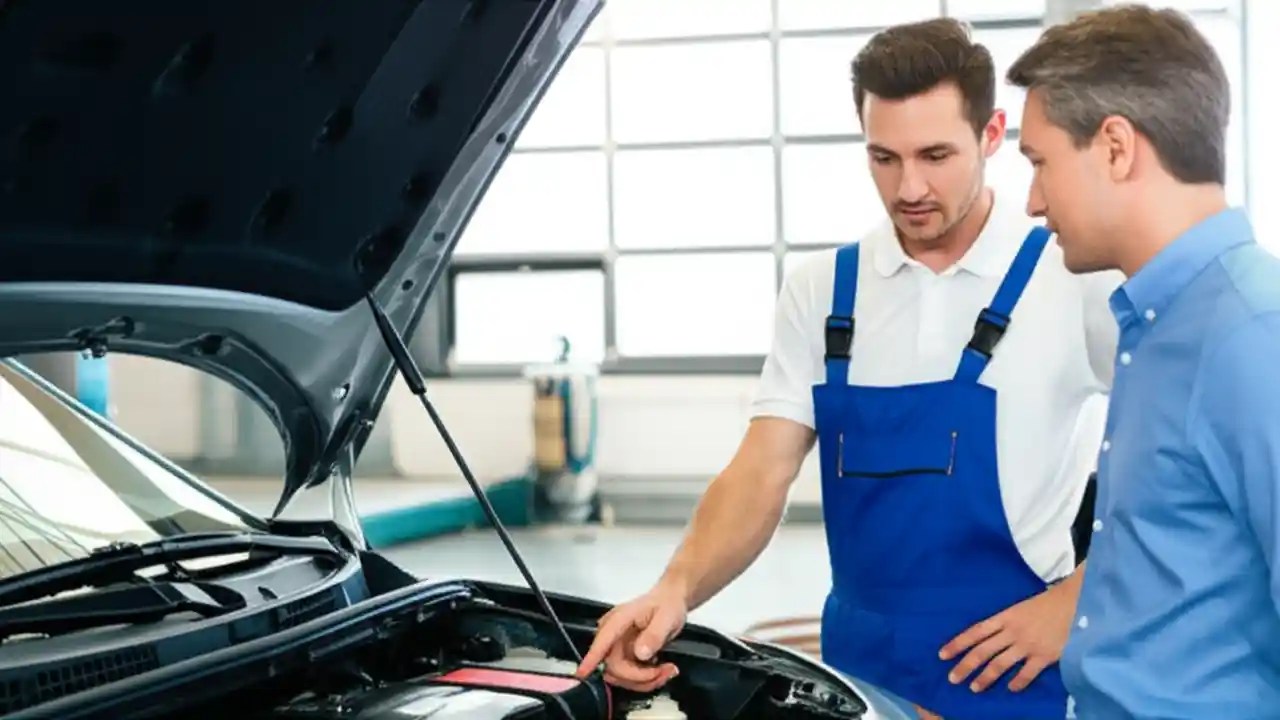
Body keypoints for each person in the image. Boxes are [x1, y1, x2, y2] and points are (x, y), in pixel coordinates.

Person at [576, 18, 1121, 719]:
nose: (909, 187)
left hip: (1013, 673)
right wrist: (674, 588)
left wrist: (1077, 600)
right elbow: (760, 471)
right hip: (860, 676)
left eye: (935, 154)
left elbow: (1181, 464)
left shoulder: (1071, 278)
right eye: (884, 158)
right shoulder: (823, 292)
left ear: (992, 135)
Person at [1006, 5, 1280, 719]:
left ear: (1116, 148)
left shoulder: (1255, 338)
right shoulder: (1154, 322)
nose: (1033, 201)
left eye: (1040, 163)